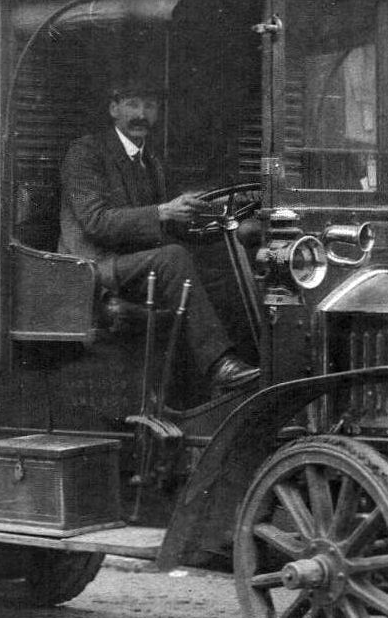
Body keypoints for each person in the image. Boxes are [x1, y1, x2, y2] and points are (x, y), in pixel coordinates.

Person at [58, 81, 260, 392]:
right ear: (114, 110)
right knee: (174, 258)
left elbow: (169, 224)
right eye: (133, 104)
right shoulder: (85, 153)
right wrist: (163, 212)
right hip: (90, 269)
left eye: (149, 106)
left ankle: (246, 368)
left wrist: (221, 224)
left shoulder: (150, 161)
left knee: (223, 269)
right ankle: (219, 365)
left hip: (131, 264)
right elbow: (95, 223)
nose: (142, 114)